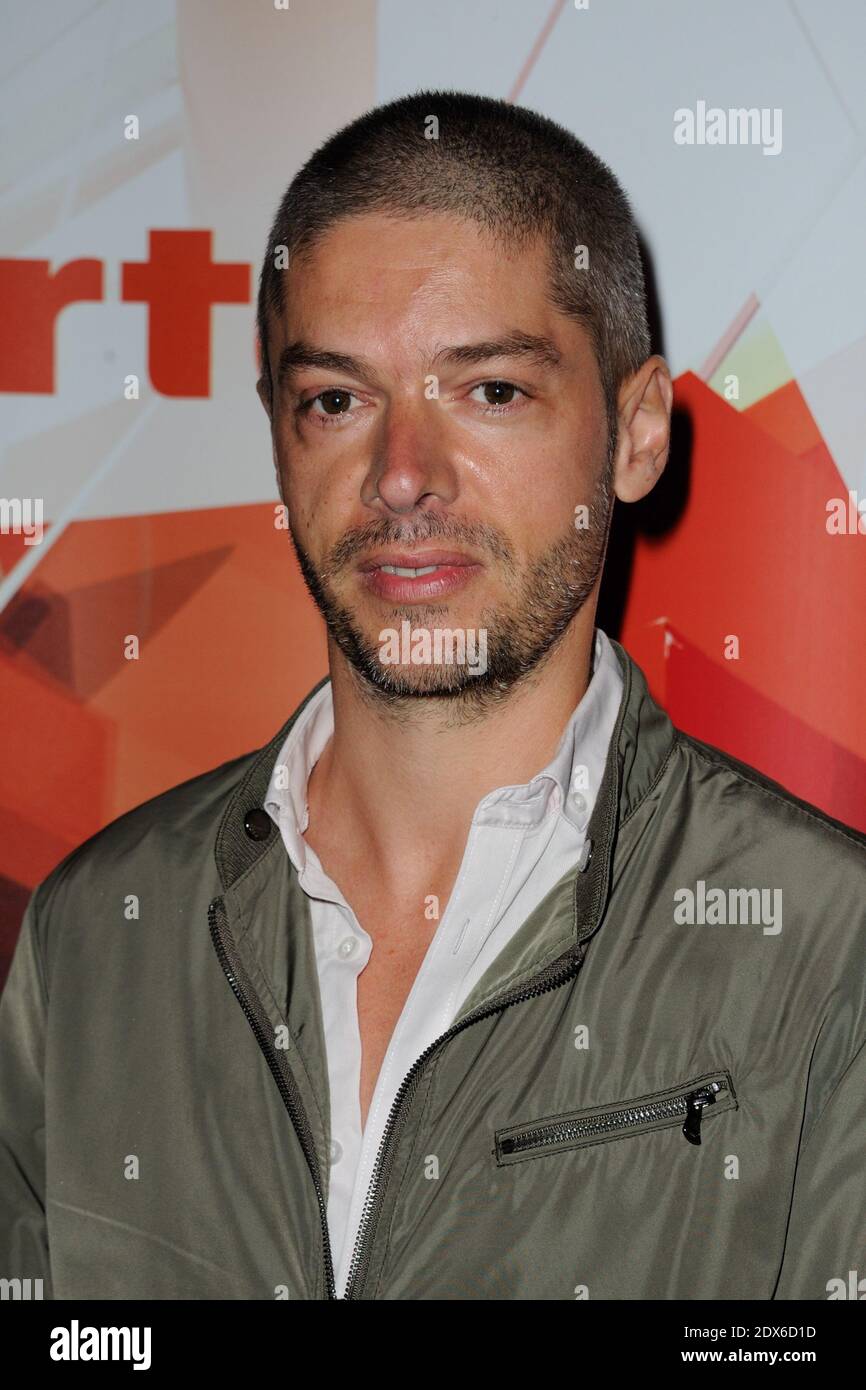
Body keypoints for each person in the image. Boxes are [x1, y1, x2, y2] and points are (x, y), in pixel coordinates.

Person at [1, 91, 864, 1302]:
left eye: (490, 391)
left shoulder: (831, 949)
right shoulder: (94, 932)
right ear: (278, 437)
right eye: (337, 401)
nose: (402, 477)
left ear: (634, 434)